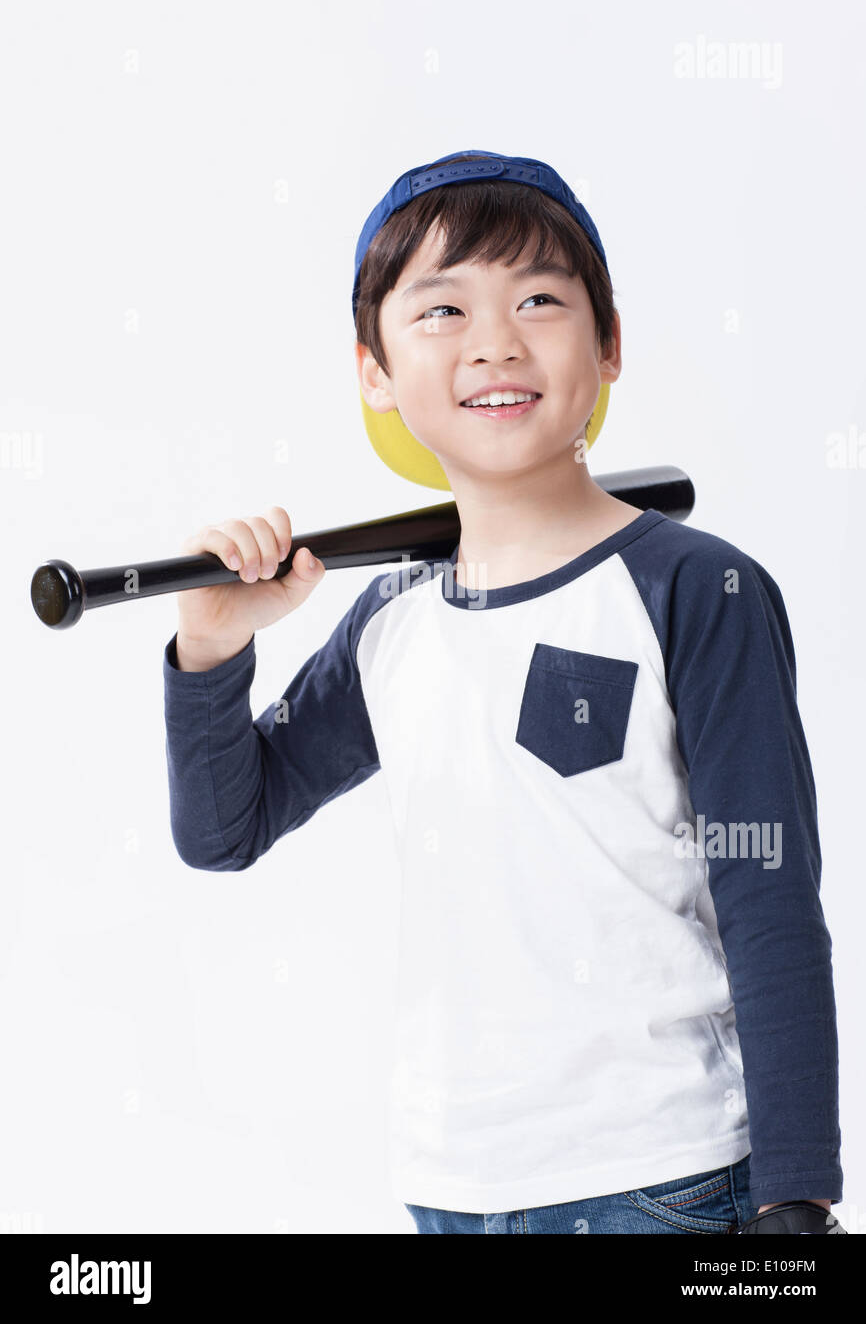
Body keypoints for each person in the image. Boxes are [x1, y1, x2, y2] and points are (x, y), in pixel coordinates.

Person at [162, 149, 843, 1234]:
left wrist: (795, 1196)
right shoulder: (392, 622)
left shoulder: (693, 589)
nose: (493, 341)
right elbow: (224, 829)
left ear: (608, 342)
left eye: (537, 298)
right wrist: (210, 651)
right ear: (374, 370)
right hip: (454, 1188)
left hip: (665, 1180)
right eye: (439, 310)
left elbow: (767, 898)